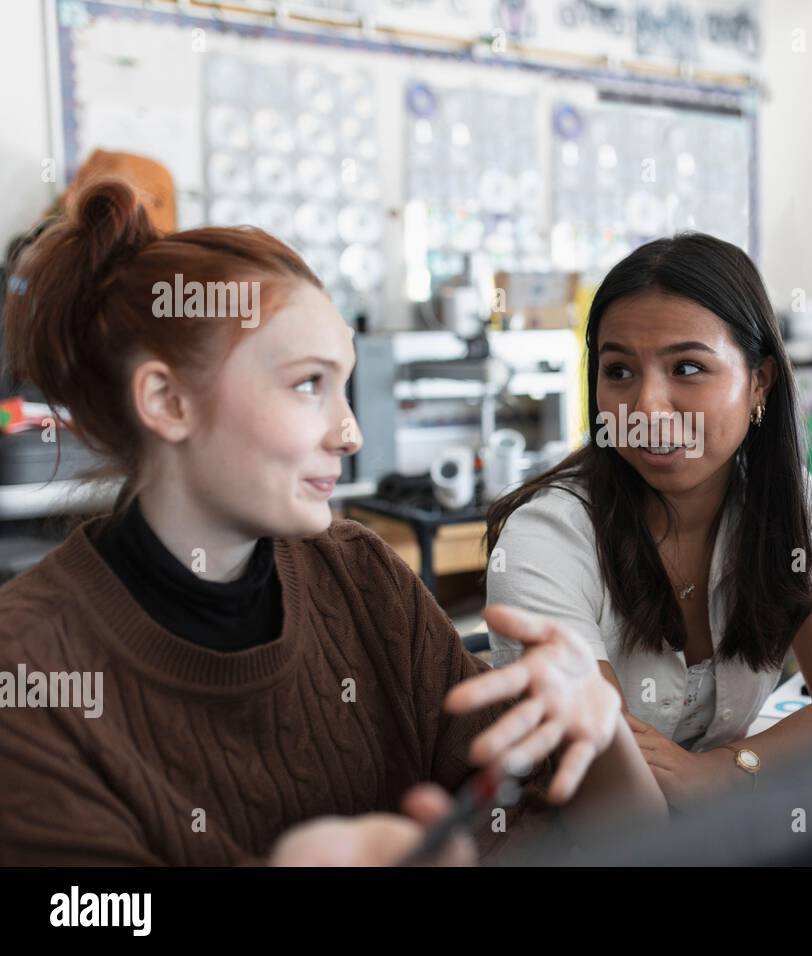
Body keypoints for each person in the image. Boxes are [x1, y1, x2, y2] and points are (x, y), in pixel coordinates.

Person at [0, 178, 664, 866]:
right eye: (308, 383)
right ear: (168, 402)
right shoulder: (29, 668)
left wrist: (601, 729)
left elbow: (613, 839)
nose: (350, 434)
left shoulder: (361, 578)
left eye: (344, 384)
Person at [486, 233, 812, 810]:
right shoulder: (544, 540)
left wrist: (730, 768)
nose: (647, 406)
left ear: (760, 382)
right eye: (619, 371)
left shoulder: (785, 500)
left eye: (688, 367)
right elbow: (620, 803)